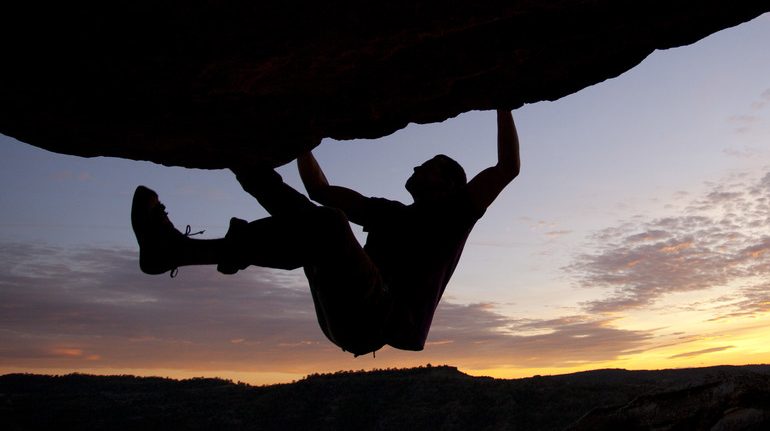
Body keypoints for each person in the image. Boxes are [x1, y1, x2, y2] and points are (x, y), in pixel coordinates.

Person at [130, 110, 520, 356]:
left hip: (376, 319)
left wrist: (504, 102)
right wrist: (302, 144)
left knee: (329, 224)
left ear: (449, 183)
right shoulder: (391, 214)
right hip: (347, 314)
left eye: (429, 166)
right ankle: (241, 162)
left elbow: (507, 168)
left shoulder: (453, 213)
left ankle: (176, 251)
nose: (417, 166)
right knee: (308, 214)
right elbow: (320, 190)